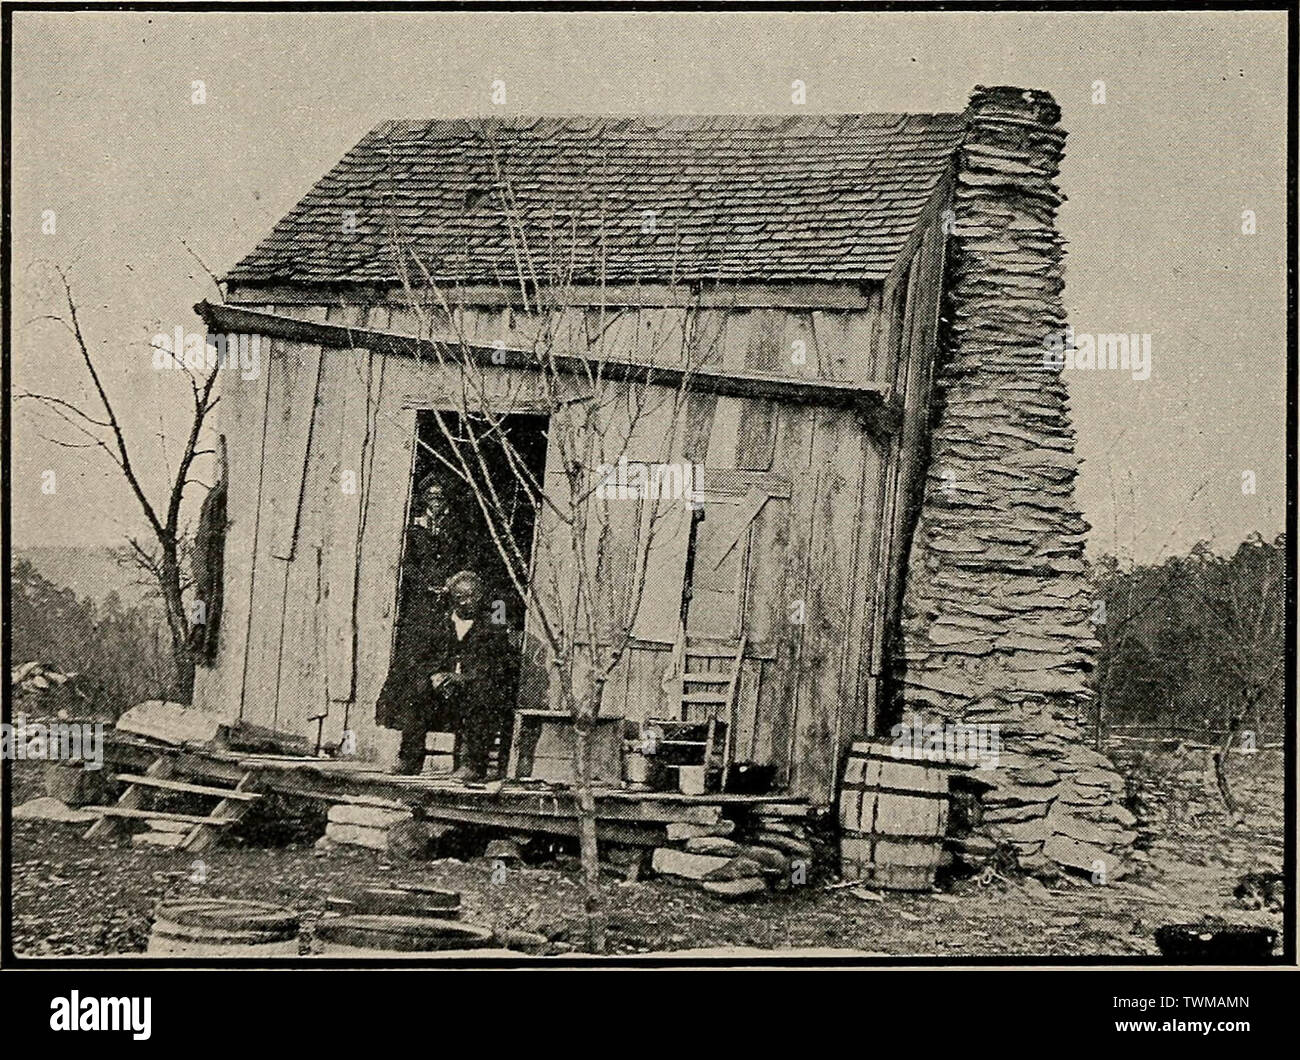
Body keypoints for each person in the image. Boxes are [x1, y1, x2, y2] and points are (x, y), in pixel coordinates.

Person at [375, 473, 474, 774]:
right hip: (421, 612)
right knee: (414, 684)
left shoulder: (456, 531)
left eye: (440, 496)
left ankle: (466, 761)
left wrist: (451, 586)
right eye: (430, 496)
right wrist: (426, 585)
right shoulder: (414, 530)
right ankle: (410, 756)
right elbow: (407, 567)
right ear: (423, 499)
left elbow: (466, 564)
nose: (436, 501)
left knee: (443, 682)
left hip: (447, 607)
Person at [425, 570, 514, 781]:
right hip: (445, 688)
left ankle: (472, 765)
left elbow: (496, 664)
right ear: (451, 598)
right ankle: (408, 759)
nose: (467, 602)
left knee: (481, 695)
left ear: (481, 595)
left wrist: (464, 678)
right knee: (414, 689)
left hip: (476, 685)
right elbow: (423, 657)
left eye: (472, 596)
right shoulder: (440, 622)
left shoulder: (494, 623)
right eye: (460, 597)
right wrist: (434, 675)